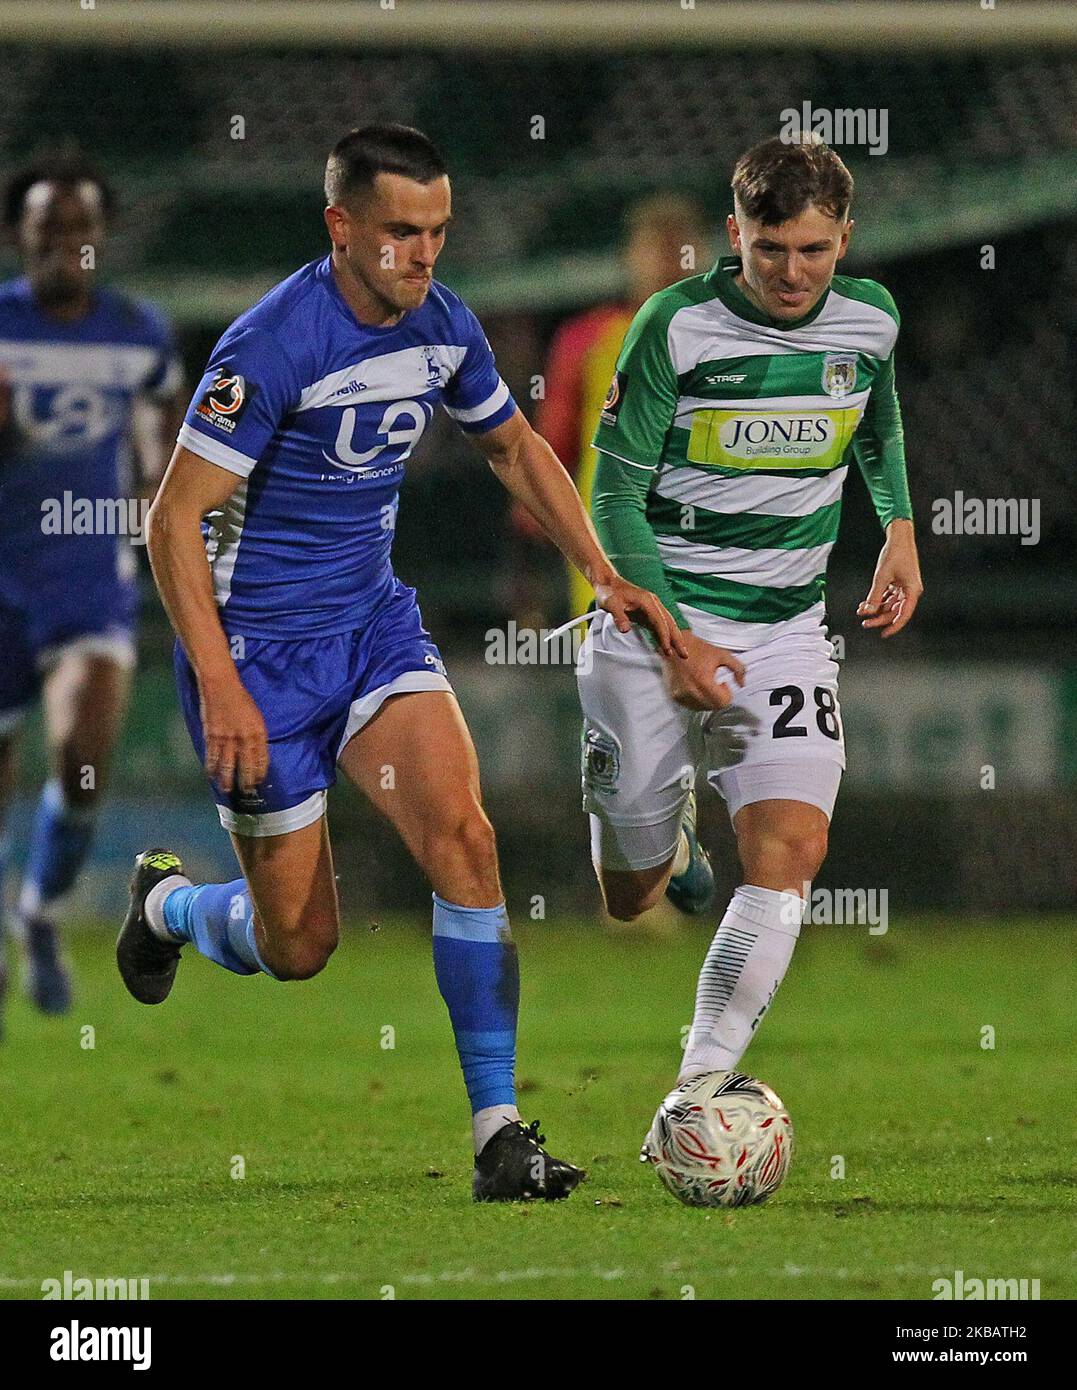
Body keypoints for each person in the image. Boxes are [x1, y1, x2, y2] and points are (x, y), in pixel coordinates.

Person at [118, 125, 684, 1202]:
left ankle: (499, 1132)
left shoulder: (443, 322)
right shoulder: (272, 344)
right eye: (400, 233)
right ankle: (169, 908)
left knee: (465, 837)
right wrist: (223, 682)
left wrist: (604, 573)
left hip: (374, 630)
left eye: (437, 231)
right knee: (299, 946)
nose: (423, 254)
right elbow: (170, 522)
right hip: (259, 661)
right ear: (341, 226)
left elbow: (515, 444)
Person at [575, 136, 923, 1107]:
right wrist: (676, 639)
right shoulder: (673, 327)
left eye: (813, 250)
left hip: (784, 632)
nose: (792, 272)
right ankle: (670, 845)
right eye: (770, 249)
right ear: (735, 235)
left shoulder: (870, 320)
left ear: (844, 237)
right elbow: (613, 504)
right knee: (630, 892)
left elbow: (878, 416)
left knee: (789, 854)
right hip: (657, 627)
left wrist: (898, 525)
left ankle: (698, 1090)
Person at [0, 155, 183, 1027]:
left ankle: (39, 911)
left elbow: (163, 459)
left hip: (88, 582)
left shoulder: (139, 334)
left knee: (80, 763)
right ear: (19, 239)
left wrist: (162, 516)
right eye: (47, 233)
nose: (64, 248)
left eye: (79, 233)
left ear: (100, 241)